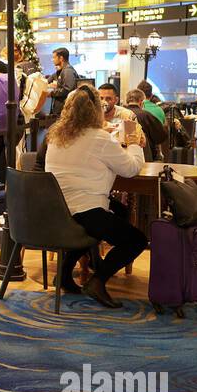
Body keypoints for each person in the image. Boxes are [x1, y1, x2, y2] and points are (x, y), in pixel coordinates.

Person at [45, 89, 148, 308]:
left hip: (57, 212)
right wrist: (134, 142)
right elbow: (131, 169)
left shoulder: (55, 136)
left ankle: (64, 274)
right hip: (85, 212)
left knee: (117, 211)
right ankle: (98, 280)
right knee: (137, 240)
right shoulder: (99, 138)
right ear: (95, 112)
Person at [125, 87, 167, 160]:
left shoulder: (121, 114)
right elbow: (160, 136)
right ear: (141, 102)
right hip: (144, 157)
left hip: (123, 156)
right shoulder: (146, 115)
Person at [47, 47, 78, 118]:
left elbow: (68, 89)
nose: (53, 60)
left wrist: (52, 92)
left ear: (61, 58)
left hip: (65, 111)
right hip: (60, 110)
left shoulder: (68, 71)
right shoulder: (61, 71)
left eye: (54, 57)